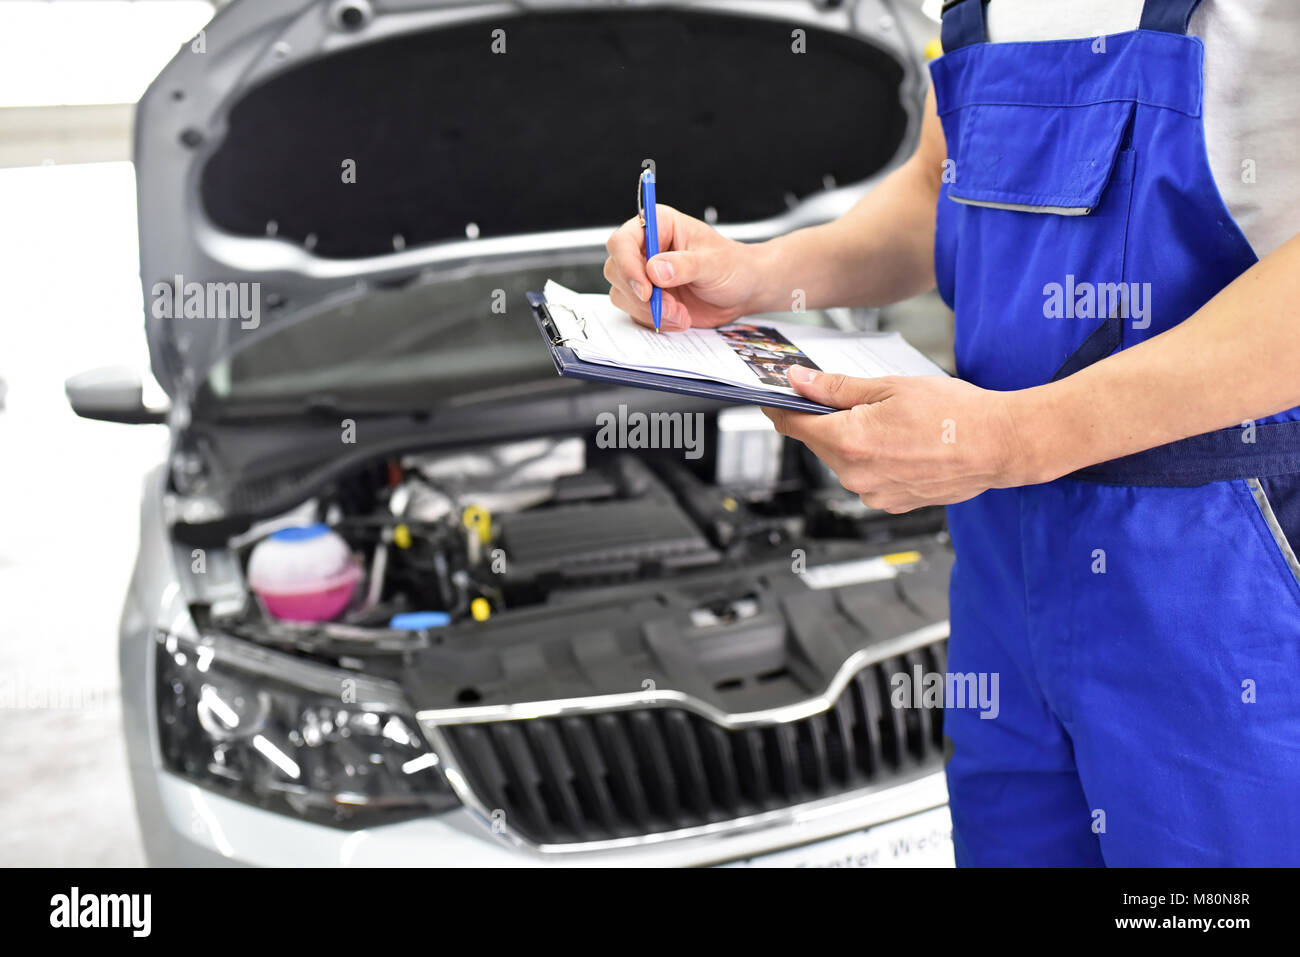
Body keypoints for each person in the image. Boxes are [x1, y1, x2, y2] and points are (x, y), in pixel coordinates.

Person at [603, 0, 1300, 866]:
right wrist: (761, 273)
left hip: (1221, 575)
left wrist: (1020, 436)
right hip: (999, 561)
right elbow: (940, 186)